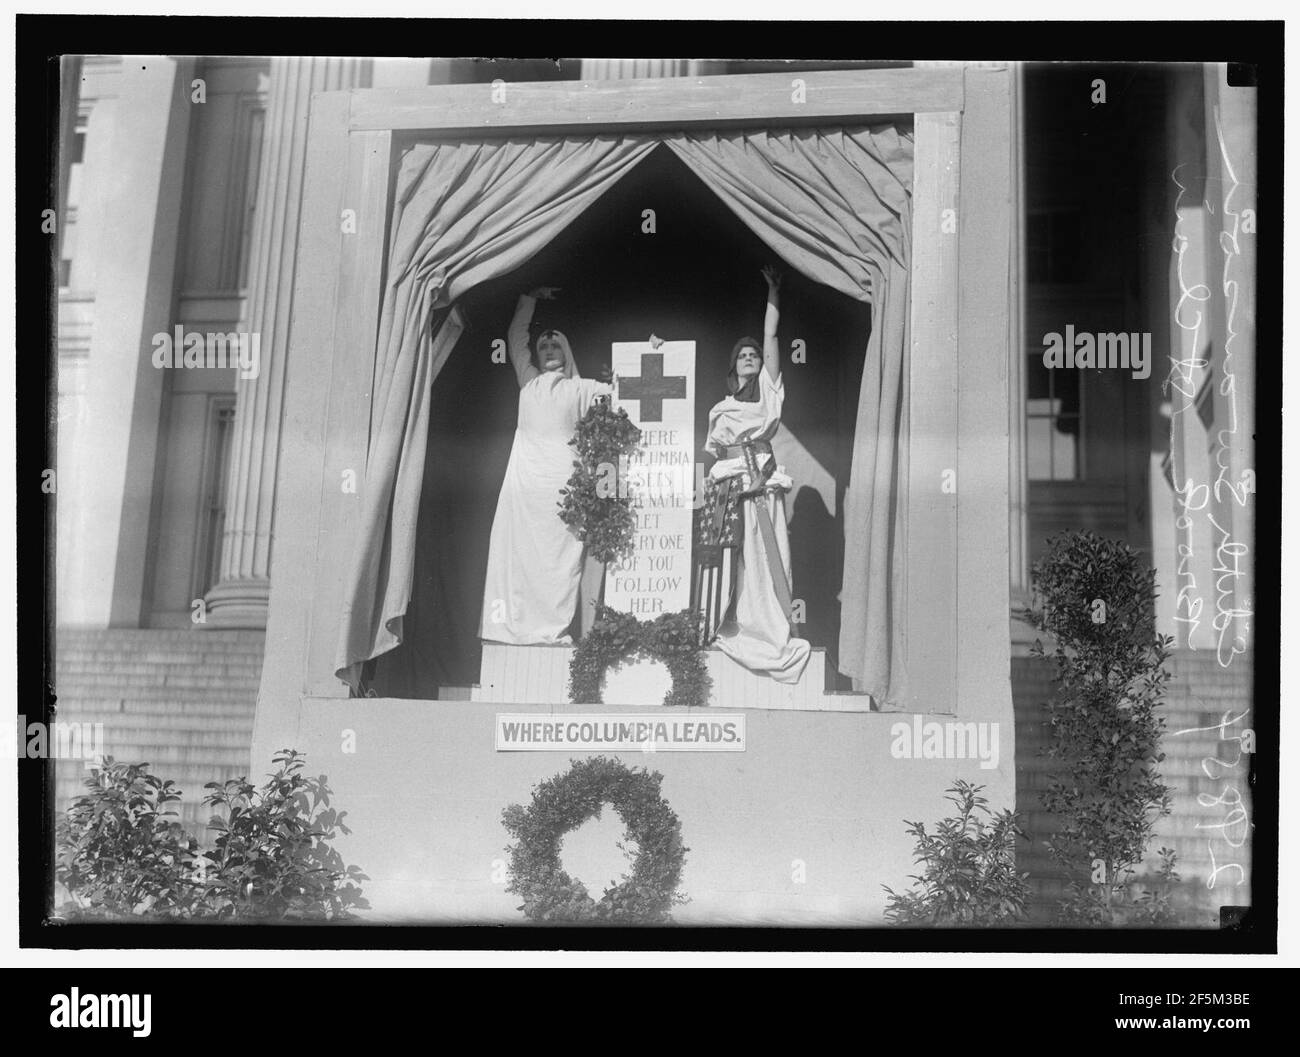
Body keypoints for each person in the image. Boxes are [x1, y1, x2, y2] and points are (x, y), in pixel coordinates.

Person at [696, 265, 811, 683]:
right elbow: (718, 453)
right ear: (733, 366)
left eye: (754, 356)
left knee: (767, 555)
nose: (751, 358)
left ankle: (769, 629)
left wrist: (773, 296)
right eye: (743, 356)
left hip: (761, 486)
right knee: (732, 557)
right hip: (730, 487)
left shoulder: (767, 393)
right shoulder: (723, 407)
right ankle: (733, 624)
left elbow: (772, 339)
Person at [480, 287, 613, 645]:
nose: (549, 351)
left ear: (566, 351)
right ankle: (514, 629)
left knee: (558, 562)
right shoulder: (530, 381)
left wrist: (655, 349)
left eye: (555, 346)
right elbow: (515, 337)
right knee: (520, 557)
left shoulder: (581, 388)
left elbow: (620, 392)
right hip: (525, 486)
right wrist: (528, 300)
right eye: (544, 347)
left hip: (562, 487)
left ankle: (550, 629)